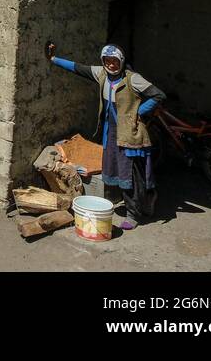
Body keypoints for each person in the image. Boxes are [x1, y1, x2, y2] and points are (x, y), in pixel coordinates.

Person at [45, 42, 166, 230]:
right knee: (117, 171)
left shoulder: (132, 79)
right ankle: (145, 199)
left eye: (114, 61)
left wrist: (139, 112)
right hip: (111, 133)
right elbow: (78, 68)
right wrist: (54, 59)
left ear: (121, 60)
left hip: (130, 135)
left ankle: (133, 214)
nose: (111, 64)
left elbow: (158, 95)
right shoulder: (102, 74)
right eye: (107, 61)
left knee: (130, 174)